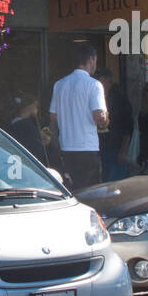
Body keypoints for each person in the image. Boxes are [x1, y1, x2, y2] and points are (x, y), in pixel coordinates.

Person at [48, 43, 107, 189]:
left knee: (70, 191)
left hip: (66, 147)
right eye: (95, 61)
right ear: (91, 59)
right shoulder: (94, 85)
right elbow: (99, 117)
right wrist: (106, 118)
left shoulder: (59, 84)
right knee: (90, 193)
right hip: (87, 148)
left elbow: (53, 117)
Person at [94, 68, 134, 182]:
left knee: (115, 185)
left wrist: (123, 150)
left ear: (107, 81)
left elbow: (128, 127)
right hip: (97, 150)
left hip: (115, 150)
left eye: (100, 81)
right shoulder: (94, 98)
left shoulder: (120, 100)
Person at [5, 94, 50, 166]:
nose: (37, 109)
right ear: (30, 106)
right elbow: (39, 144)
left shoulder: (13, 123)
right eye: (36, 106)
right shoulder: (26, 125)